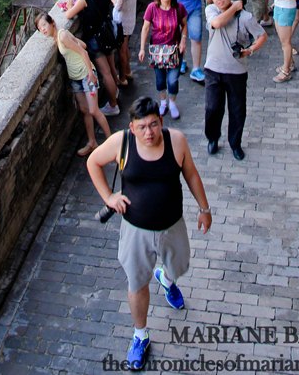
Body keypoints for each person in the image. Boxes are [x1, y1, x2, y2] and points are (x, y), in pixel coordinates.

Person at [87, 96, 211, 372]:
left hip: (172, 224)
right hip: (136, 230)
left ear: (161, 122)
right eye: (142, 127)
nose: (149, 132)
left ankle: (167, 280)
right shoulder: (122, 143)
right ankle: (140, 335)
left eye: (153, 125)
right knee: (136, 283)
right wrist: (109, 196)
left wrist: (204, 208)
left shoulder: (176, 141)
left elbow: (190, 174)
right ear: (132, 128)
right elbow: (93, 162)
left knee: (180, 265)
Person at [204, 0, 267, 158]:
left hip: (237, 71)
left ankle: (235, 143)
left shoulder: (246, 17)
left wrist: (250, 50)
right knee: (212, 108)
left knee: (237, 110)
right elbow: (216, 23)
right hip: (213, 69)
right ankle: (213, 138)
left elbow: (262, 36)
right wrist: (234, 7)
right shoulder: (211, 10)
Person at [36, 12, 111, 157]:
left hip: (86, 75)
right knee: (85, 110)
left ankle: (112, 141)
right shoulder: (60, 36)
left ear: (52, 22)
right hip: (75, 78)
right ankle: (92, 142)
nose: (42, 30)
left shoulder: (62, 36)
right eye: (39, 28)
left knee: (94, 110)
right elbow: (81, 44)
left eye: (44, 25)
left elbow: (84, 52)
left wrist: (91, 74)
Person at [65, 0, 120, 115]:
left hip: (95, 40)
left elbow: (69, 14)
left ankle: (114, 105)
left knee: (105, 73)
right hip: (107, 36)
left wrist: (70, 6)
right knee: (112, 68)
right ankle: (116, 93)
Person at [139, 0, 187, 120]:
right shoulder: (152, 8)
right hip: (158, 50)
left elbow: (184, 25)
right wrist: (142, 48)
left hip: (175, 49)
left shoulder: (179, 8)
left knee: (172, 80)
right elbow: (145, 28)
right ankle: (163, 101)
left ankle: (172, 102)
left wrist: (183, 39)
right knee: (160, 80)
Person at [110, 0, 139, 84]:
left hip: (122, 22)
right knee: (125, 47)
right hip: (130, 19)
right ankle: (128, 71)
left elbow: (118, 6)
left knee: (122, 50)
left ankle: (122, 78)